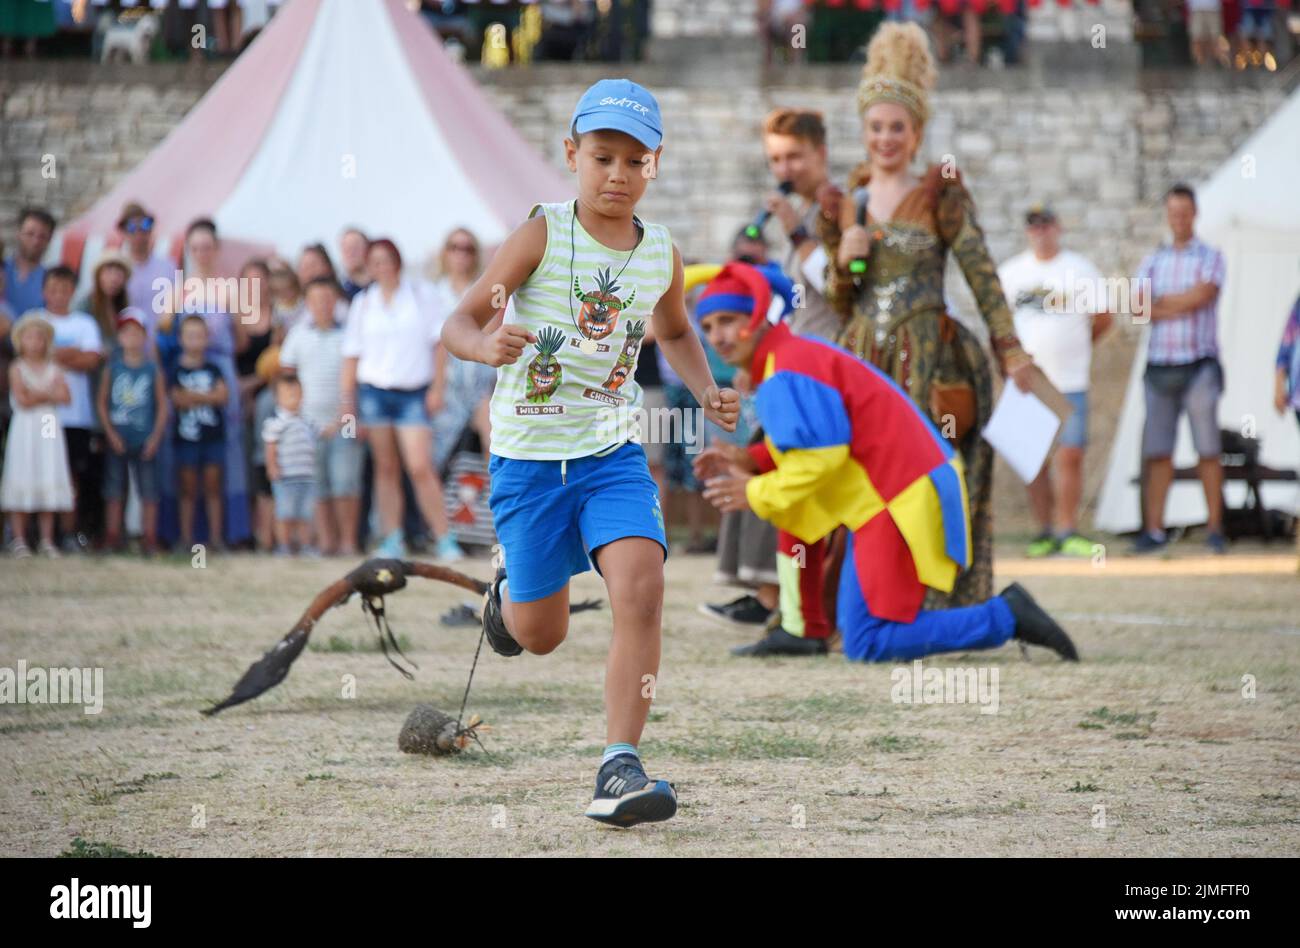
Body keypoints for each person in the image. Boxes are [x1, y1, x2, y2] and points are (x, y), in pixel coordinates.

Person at [441, 78, 740, 827]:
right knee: (542, 636)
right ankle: (509, 599)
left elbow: (672, 332)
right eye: (603, 157)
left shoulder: (660, 253)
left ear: (654, 167)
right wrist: (483, 345)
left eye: (635, 162)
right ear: (573, 154)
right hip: (529, 463)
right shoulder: (542, 231)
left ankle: (619, 765)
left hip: (611, 454)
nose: (618, 174)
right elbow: (461, 318)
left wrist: (706, 390)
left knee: (641, 584)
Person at [695, 262, 1078, 663]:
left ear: (757, 317)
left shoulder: (787, 369)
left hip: (901, 494)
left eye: (728, 320)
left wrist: (752, 490)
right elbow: (812, 445)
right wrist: (750, 458)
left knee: (868, 641)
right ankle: (801, 627)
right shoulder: (788, 359)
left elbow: (822, 458)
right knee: (792, 502)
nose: (717, 337)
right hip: (889, 493)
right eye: (707, 327)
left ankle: (1005, 616)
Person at [818, 22, 1035, 608]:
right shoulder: (849, 200)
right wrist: (844, 259)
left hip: (928, 357)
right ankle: (863, 602)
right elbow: (842, 300)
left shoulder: (940, 193)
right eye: (876, 127)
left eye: (898, 127)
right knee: (859, 474)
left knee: (925, 473)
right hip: (864, 356)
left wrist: (1009, 347)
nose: (886, 137)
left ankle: (934, 603)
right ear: (863, 132)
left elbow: (981, 272)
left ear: (916, 134)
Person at [998, 204, 1112, 557]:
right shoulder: (1011, 272)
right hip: (1029, 381)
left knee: (1071, 453)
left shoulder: (1080, 270)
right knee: (1033, 458)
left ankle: (1067, 528)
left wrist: (1078, 346)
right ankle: (1043, 529)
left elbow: (1103, 317)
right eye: (1034, 226)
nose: (1041, 232)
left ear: (1057, 228)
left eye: (1046, 225)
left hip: (1069, 377)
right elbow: (998, 324)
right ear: (1028, 231)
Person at [340, 238, 461, 561]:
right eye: (375, 261)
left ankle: (443, 537)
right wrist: (348, 403)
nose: (382, 267)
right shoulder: (364, 303)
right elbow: (351, 355)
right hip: (374, 392)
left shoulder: (422, 297)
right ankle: (392, 537)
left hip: (413, 391)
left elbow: (440, 344)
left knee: (420, 466)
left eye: (387, 259)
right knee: (385, 467)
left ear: (397, 261)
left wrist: (437, 388)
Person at [1132, 184, 1227, 554]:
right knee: (1158, 450)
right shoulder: (1152, 260)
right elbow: (1139, 308)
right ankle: (1154, 530)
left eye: (1184, 213)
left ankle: (1215, 527)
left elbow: (1205, 295)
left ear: (1195, 214)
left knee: (1207, 448)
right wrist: (1182, 302)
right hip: (1160, 367)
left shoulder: (1210, 255)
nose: (1179, 220)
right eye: (1173, 213)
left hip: (1198, 365)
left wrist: (1162, 303)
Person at [156, 219, 252, 547]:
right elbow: (163, 332)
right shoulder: (176, 290)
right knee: (182, 448)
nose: (202, 253)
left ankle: (226, 532)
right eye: (195, 248)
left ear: (217, 249)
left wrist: (216, 357)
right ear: (188, 251)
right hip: (184, 372)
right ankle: (183, 534)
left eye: (207, 247)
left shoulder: (230, 289)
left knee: (225, 448)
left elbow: (242, 339)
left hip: (221, 373)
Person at [280, 277, 362, 556]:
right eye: (316, 300)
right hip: (307, 423)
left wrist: (342, 417)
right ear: (308, 303)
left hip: (345, 420)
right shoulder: (297, 336)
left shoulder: (350, 334)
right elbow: (287, 379)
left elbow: (357, 378)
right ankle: (326, 542)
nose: (323, 305)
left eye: (328, 299)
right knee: (318, 486)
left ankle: (348, 542)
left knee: (345, 482)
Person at [34, 266, 105, 552]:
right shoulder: (35, 320)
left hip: (76, 415)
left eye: (65, 289)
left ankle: (67, 533)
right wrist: (72, 353)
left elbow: (90, 360)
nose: (59, 295)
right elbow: (30, 357)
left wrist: (51, 355)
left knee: (72, 475)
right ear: (44, 291)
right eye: (53, 289)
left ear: (73, 292)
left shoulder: (85, 323)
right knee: (43, 472)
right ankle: (40, 536)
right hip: (43, 415)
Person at [759, 107, 844, 342]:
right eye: (775, 160)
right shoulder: (800, 211)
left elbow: (837, 286)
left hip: (832, 353)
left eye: (794, 157)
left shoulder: (843, 206)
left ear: (821, 154)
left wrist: (797, 233)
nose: (783, 170)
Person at [2, 315, 73, 558]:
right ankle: (19, 539)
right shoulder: (17, 367)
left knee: (48, 466)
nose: (35, 342)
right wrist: (47, 394)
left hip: (47, 422)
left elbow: (65, 397)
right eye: (30, 337)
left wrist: (38, 394)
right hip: (25, 425)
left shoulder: (54, 368)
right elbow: (22, 399)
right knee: (23, 469)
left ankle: (47, 540)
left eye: (40, 337)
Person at [97, 310, 167, 554]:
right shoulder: (112, 368)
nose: (132, 338)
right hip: (118, 437)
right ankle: (113, 537)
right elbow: (102, 403)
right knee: (114, 489)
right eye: (126, 333)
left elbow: (162, 405)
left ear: (145, 336)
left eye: (137, 333)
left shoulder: (152, 369)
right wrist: (111, 434)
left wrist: (155, 437)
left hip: (145, 438)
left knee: (149, 490)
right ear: (119, 337)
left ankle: (149, 539)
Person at [428, 228, 495, 473]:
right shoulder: (433, 292)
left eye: (467, 248)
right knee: (438, 453)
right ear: (445, 253)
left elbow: (493, 329)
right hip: (447, 384)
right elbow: (436, 343)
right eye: (454, 247)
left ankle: (493, 504)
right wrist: (436, 388)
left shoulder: (485, 288)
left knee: (492, 440)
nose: (461, 254)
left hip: (481, 381)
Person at [170, 314, 228, 552]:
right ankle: (186, 539)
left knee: (214, 488)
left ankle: (215, 539)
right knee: (187, 490)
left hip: (213, 437)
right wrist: (207, 397)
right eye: (190, 335)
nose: (195, 340)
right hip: (186, 439)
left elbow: (223, 397)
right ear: (180, 339)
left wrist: (192, 396)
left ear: (207, 338)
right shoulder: (176, 368)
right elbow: (177, 400)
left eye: (199, 335)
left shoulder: (214, 368)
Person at [262, 376, 317, 556]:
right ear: (278, 398)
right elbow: (270, 448)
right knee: (284, 514)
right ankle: (283, 546)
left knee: (305, 515)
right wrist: (272, 467)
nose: (293, 397)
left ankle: (305, 546)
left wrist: (343, 424)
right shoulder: (275, 424)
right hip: (285, 477)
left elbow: (319, 438)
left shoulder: (307, 422)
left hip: (306, 477)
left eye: (296, 393)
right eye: (288, 394)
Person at [118, 203, 177, 324]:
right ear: (123, 232)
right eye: (132, 227)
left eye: (145, 225)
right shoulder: (116, 269)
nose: (139, 232)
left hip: (161, 340)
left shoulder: (168, 267)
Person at [4, 208, 54, 318]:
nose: (35, 241)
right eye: (30, 234)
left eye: (42, 236)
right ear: (18, 233)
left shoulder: (51, 280)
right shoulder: (2, 268)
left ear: (49, 239)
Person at [76, 253, 132, 347]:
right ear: (98, 276)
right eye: (108, 273)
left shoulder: (124, 308)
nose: (113, 279)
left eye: (119, 275)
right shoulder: (85, 306)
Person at [1188, 0, 1225, 67]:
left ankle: (1212, 63)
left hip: (1213, 8)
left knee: (1214, 38)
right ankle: (1200, 64)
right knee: (1197, 37)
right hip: (1196, 8)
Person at [338, 227, 370, 300]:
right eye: (346, 249)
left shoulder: (381, 284)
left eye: (355, 248)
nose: (351, 253)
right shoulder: (341, 294)